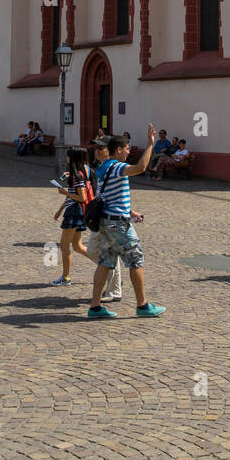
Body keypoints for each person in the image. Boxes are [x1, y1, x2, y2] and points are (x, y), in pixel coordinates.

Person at [88, 125, 164, 320]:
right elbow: (141, 168)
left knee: (105, 263)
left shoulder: (103, 166)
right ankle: (143, 305)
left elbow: (107, 195)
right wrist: (150, 145)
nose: (130, 151)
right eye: (128, 148)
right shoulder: (119, 167)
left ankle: (95, 307)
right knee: (136, 261)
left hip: (106, 221)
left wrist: (130, 211)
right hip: (119, 225)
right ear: (119, 150)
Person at [84, 139, 125, 303]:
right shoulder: (101, 167)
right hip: (101, 216)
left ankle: (114, 290)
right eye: (96, 148)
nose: (97, 151)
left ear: (111, 150)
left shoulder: (114, 168)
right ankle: (114, 283)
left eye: (101, 148)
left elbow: (119, 194)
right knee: (93, 251)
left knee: (108, 254)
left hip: (111, 217)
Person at [51, 147, 96, 285]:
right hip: (74, 211)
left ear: (73, 158)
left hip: (75, 213)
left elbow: (81, 197)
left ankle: (66, 277)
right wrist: (60, 210)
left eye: (68, 156)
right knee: (77, 246)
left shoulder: (77, 176)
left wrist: (65, 193)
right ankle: (104, 265)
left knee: (64, 246)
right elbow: (74, 196)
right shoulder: (76, 174)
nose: (67, 159)